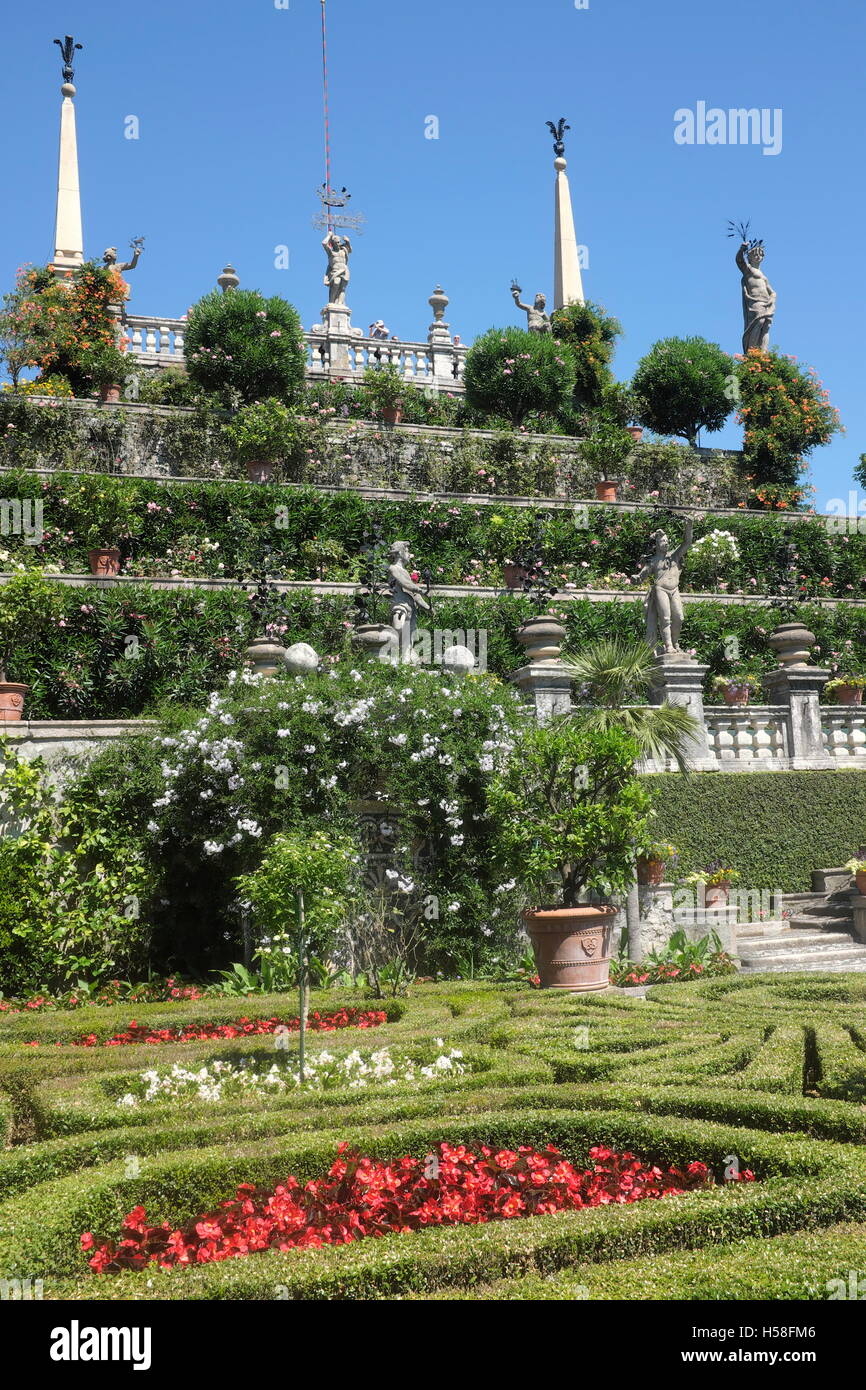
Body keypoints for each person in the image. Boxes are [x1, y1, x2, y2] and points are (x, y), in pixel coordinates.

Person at [638, 520, 694, 655]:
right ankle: (668, 645)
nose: (666, 543)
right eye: (663, 541)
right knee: (665, 618)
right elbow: (640, 577)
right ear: (656, 544)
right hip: (660, 589)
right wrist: (635, 579)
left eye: (667, 541)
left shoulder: (674, 556)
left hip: (674, 589)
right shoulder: (652, 561)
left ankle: (675, 642)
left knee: (679, 617)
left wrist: (688, 527)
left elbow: (687, 543)